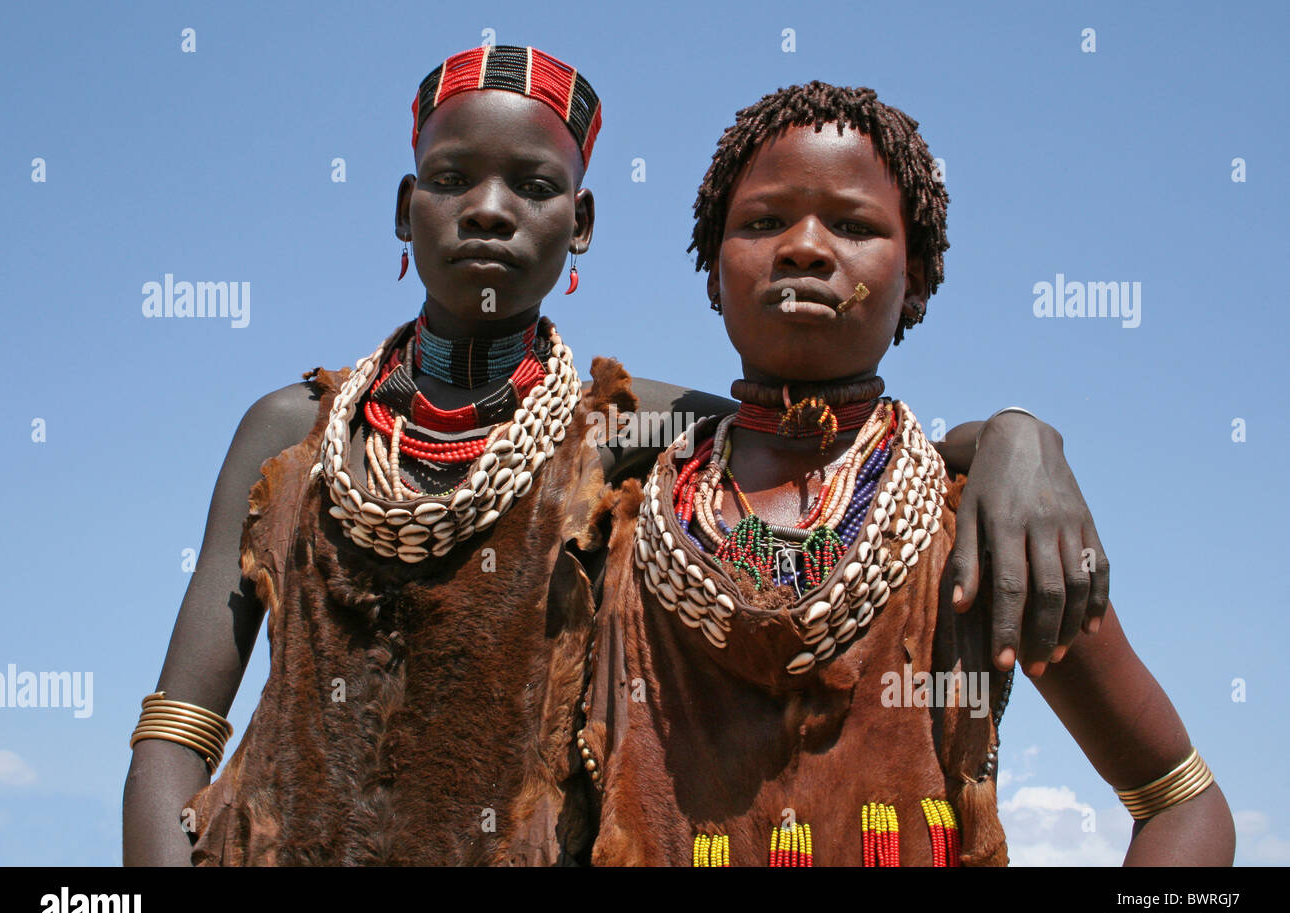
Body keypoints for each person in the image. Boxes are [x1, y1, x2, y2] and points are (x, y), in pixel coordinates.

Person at [122, 47, 1111, 866]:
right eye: (452, 179)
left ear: (579, 224)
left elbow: (851, 456)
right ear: (402, 206)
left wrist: (1021, 437)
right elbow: (178, 729)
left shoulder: (637, 427)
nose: (489, 210)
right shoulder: (292, 430)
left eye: (534, 185)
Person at [582, 82, 1234, 866]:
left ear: (916, 279)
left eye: (853, 226)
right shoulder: (612, 512)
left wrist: (1017, 436)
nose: (805, 248)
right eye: (762, 223)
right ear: (713, 273)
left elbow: (1180, 801)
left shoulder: (981, 526)